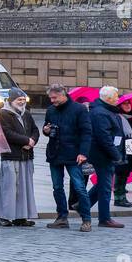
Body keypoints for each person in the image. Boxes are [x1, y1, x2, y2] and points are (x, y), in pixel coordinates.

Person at [43, 83, 93, 230]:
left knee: (79, 187)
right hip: (55, 153)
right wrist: (45, 130)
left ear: (63, 94)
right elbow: (47, 128)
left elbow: (86, 132)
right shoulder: (51, 110)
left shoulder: (79, 109)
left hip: (74, 154)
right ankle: (62, 217)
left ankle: (86, 219)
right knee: (57, 187)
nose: (52, 101)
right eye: (50, 98)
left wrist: (83, 153)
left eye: (54, 97)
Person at [0, 88, 39, 227]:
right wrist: (26, 141)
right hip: (11, 155)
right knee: (9, 187)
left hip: (26, 156)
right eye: (19, 100)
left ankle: (21, 216)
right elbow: (6, 133)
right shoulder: (3, 113)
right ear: (11, 100)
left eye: (23, 100)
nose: (22, 102)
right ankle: (5, 217)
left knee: (24, 188)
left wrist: (32, 141)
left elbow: (35, 130)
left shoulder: (27, 114)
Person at [86, 86, 127, 229]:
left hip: (106, 153)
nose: (118, 99)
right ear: (108, 99)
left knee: (103, 184)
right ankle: (104, 218)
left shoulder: (106, 110)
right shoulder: (100, 113)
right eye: (116, 96)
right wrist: (116, 155)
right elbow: (104, 138)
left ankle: (82, 204)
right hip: (102, 154)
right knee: (105, 187)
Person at [114, 98, 132, 209]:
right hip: (122, 150)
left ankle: (123, 197)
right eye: (124, 104)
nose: (127, 106)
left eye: (129, 103)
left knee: (126, 174)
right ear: (120, 106)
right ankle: (118, 198)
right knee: (120, 173)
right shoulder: (118, 117)